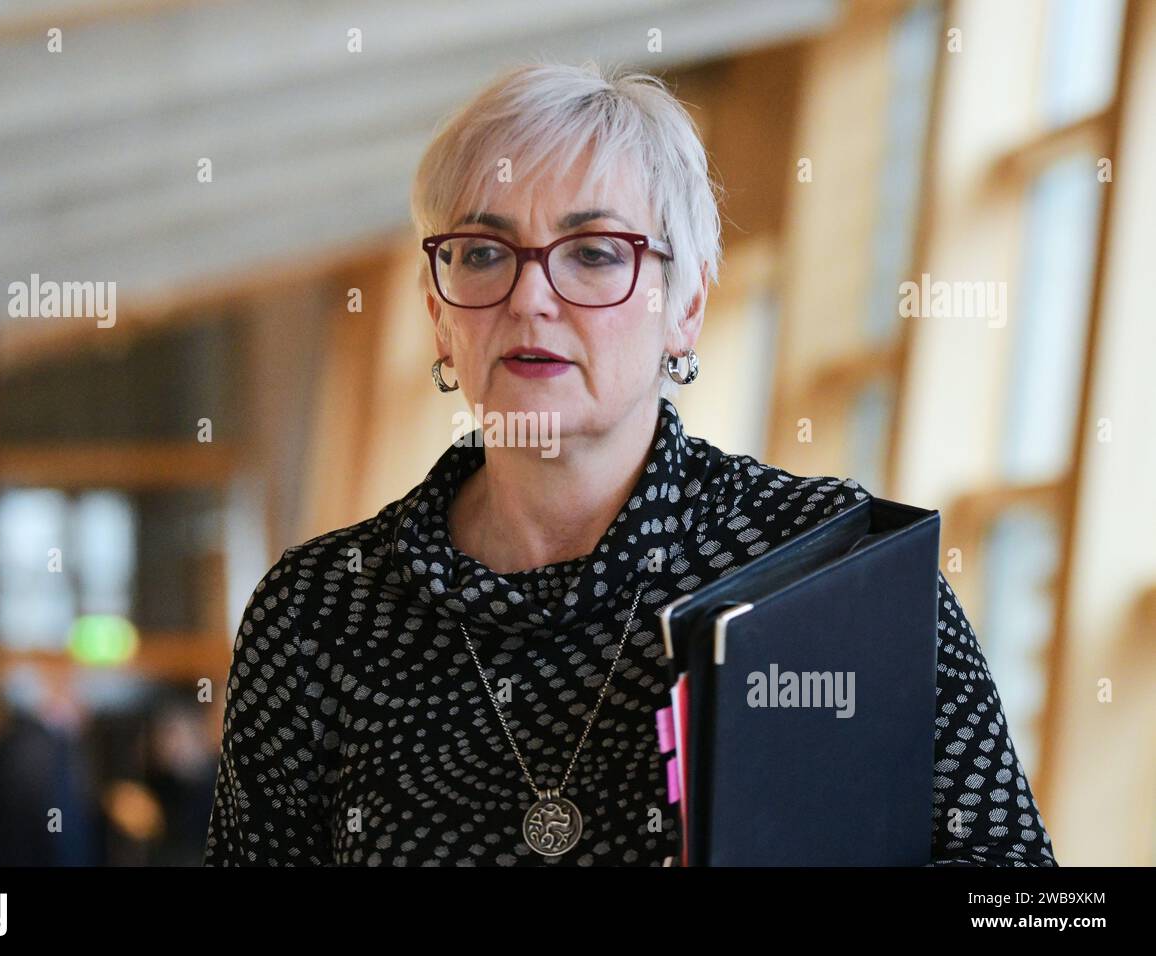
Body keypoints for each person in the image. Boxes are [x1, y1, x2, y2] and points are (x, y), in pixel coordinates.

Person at [204, 60, 1056, 866]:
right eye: (484, 253)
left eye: (595, 252)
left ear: (685, 304)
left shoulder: (829, 565)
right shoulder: (319, 610)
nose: (530, 297)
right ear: (438, 313)